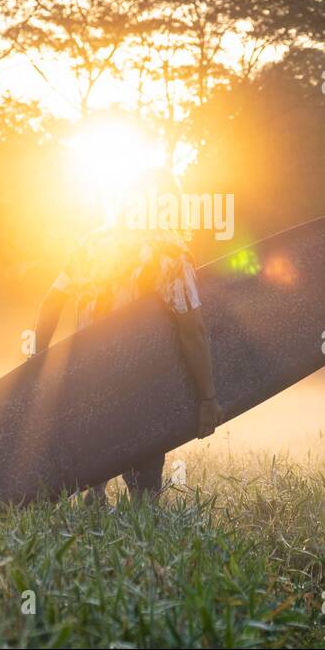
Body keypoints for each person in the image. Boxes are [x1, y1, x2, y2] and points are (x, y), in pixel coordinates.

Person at [32, 167, 224, 501]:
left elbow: (51, 303)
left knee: (94, 475)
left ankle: (96, 502)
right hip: (144, 388)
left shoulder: (92, 245)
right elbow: (191, 329)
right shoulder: (172, 255)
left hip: (89, 380)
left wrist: (36, 363)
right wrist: (207, 398)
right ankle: (138, 531)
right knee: (145, 495)